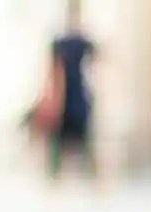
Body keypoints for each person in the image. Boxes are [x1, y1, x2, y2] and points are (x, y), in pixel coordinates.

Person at [47, 1, 100, 181]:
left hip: (77, 96)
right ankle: (60, 182)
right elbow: (54, 73)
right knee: (64, 145)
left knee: (82, 144)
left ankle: (78, 180)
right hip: (68, 98)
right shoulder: (62, 43)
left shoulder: (84, 42)